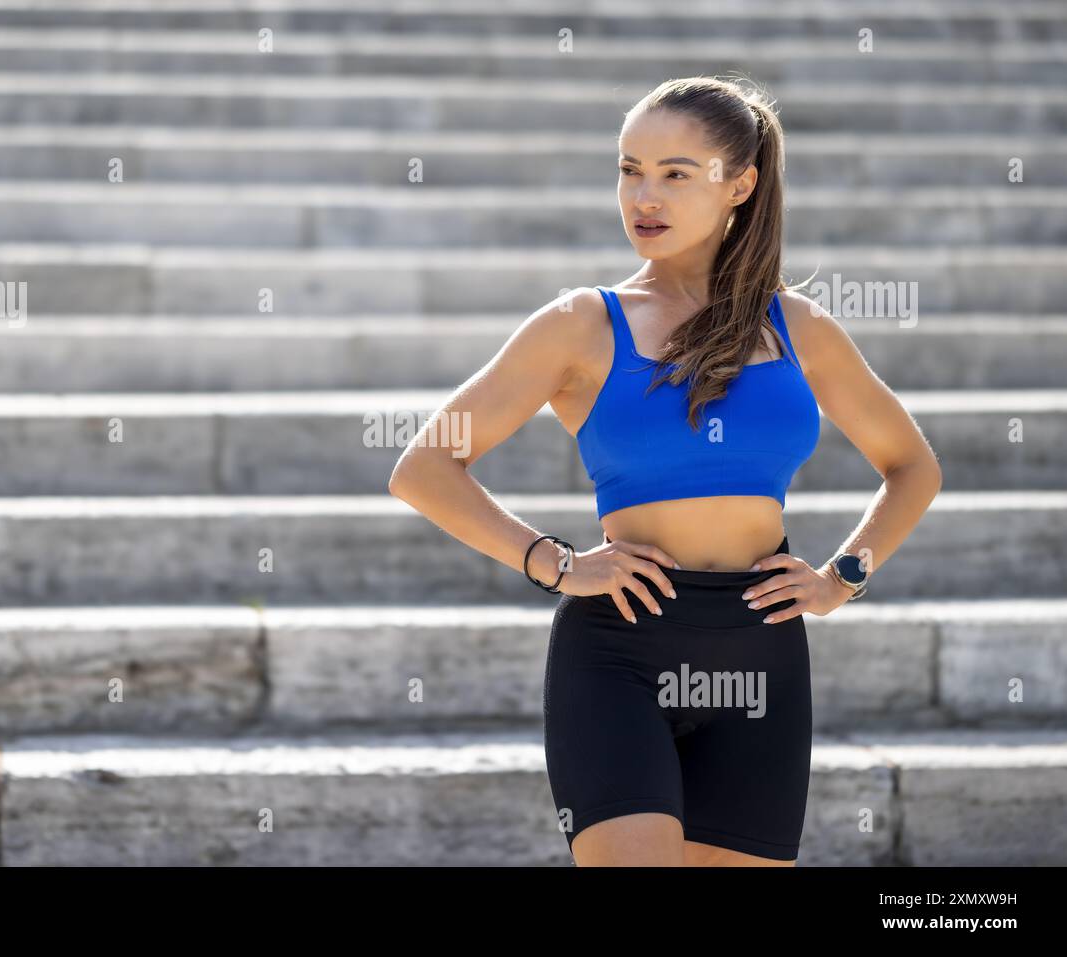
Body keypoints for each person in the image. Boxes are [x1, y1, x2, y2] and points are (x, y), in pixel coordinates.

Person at [388, 77, 943, 866]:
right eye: (628, 169)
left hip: (762, 652)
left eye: (675, 173)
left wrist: (841, 576)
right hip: (620, 649)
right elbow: (423, 466)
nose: (643, 195)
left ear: (739, 185)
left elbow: (912, 465)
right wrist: (556, 562)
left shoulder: (800, 327)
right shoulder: (581, 323)